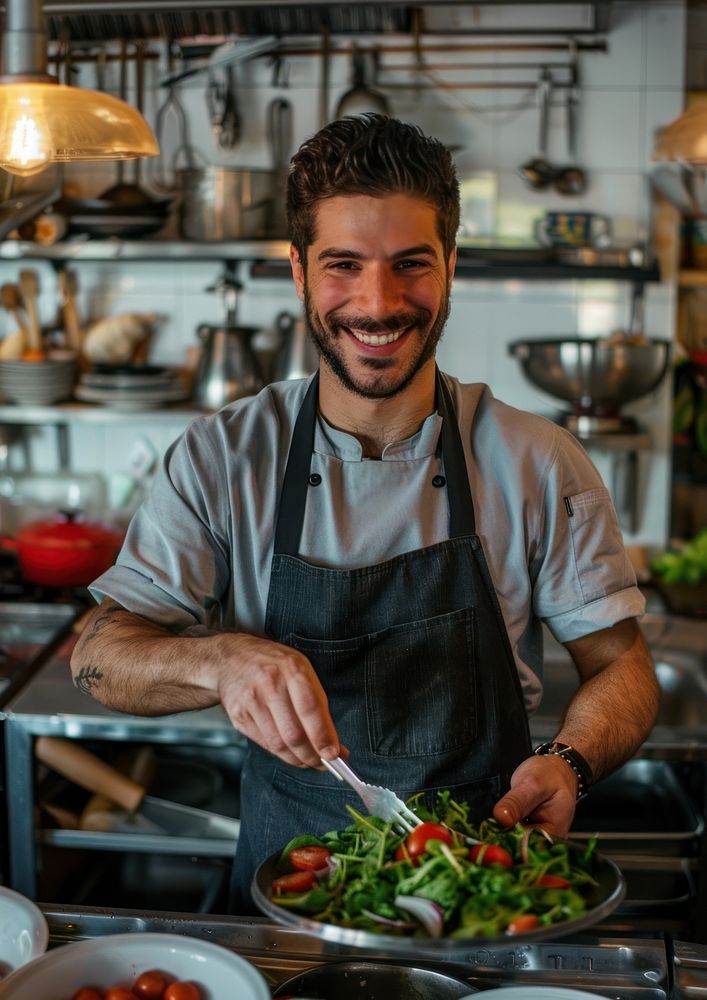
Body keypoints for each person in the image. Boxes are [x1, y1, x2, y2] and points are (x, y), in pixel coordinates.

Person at [71, 113, 659, 914]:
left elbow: (621, 666)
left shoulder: (533, 459)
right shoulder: (222, 456)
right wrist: (219, 661)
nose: (377, 304)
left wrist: (570, 760)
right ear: (299, 271)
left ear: (450, 268)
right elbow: (98, 655)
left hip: (476, 889)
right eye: (343, 265)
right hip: (286, 900)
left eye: (409, 265)